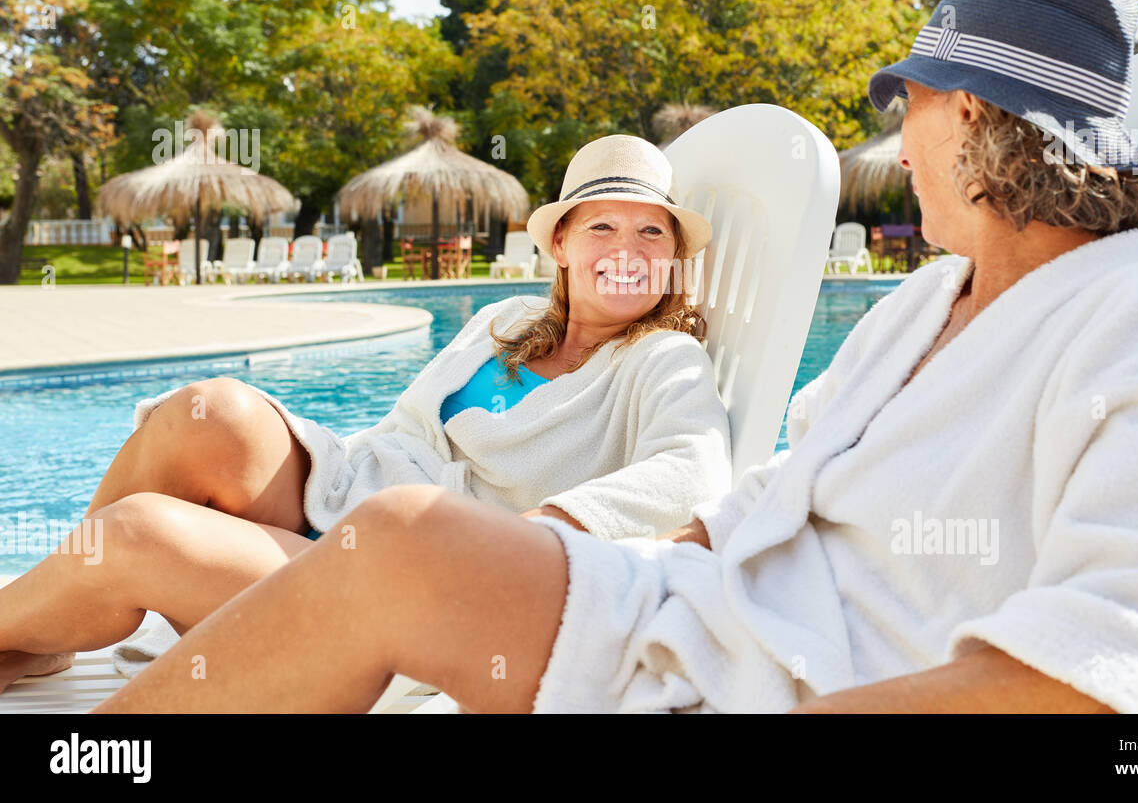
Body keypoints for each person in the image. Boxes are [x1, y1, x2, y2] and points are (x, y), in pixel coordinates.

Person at [95, 0, 1138, 715]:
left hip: (804, 679)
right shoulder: (924, 305)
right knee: (400, 542)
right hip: (705, 617)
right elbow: (774, 494)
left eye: (909, 113)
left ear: (976, 118)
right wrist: (603, 564)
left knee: (399, 546)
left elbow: (1119, 651)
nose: (900, 151)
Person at [0, 135, 730, 692]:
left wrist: (531, 536)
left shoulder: (660, 358)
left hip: (410, 569)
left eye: (651, 233)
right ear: (563, 244)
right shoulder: (508, 319)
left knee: (139, 534)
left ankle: (34, 624)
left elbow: (693, 471)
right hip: (350, 494)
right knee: (207, 410)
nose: (626, 250)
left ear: (672, 259)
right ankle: (49, 621)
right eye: (603, 228)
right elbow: (404, 434)